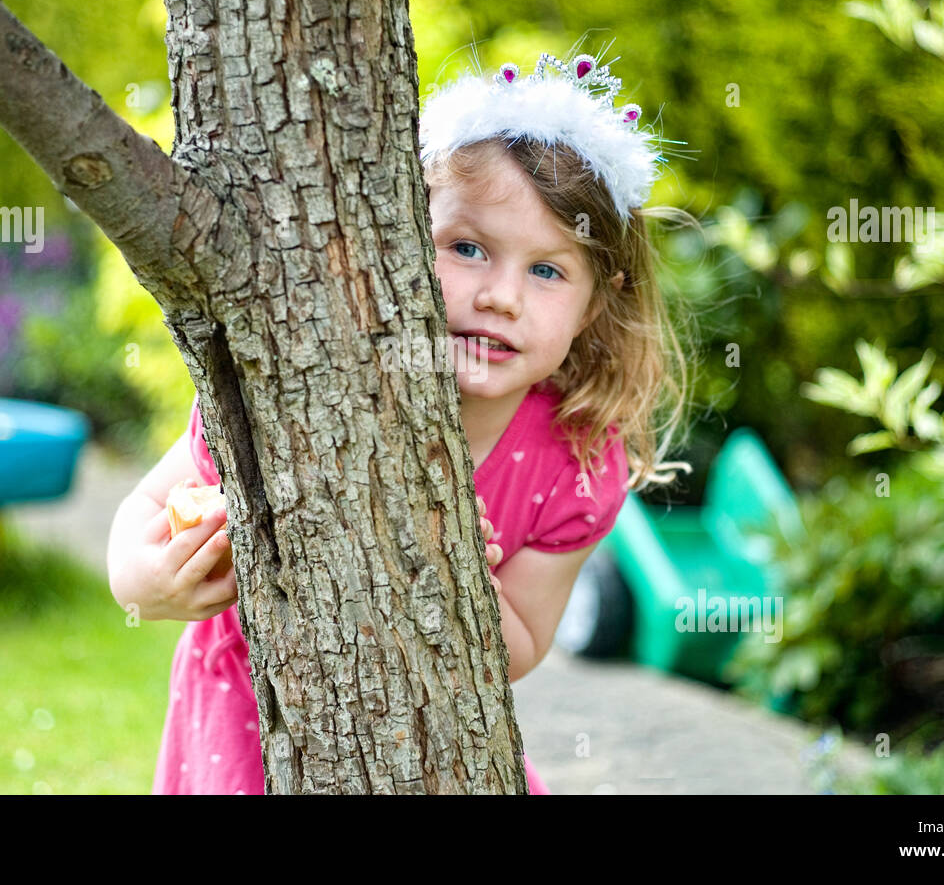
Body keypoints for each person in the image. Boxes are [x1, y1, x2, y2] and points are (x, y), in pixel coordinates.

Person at [106, 43, 693, 794]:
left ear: (595, 302)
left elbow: (522, 648)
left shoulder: (575, 463)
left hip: (429, 733)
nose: (502, 296)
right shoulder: (299, 390)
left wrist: (463, 579)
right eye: (468, 248)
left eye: (547, 270)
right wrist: (143, 583)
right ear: (400, 243)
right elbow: (151, 507)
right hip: (256, 715)